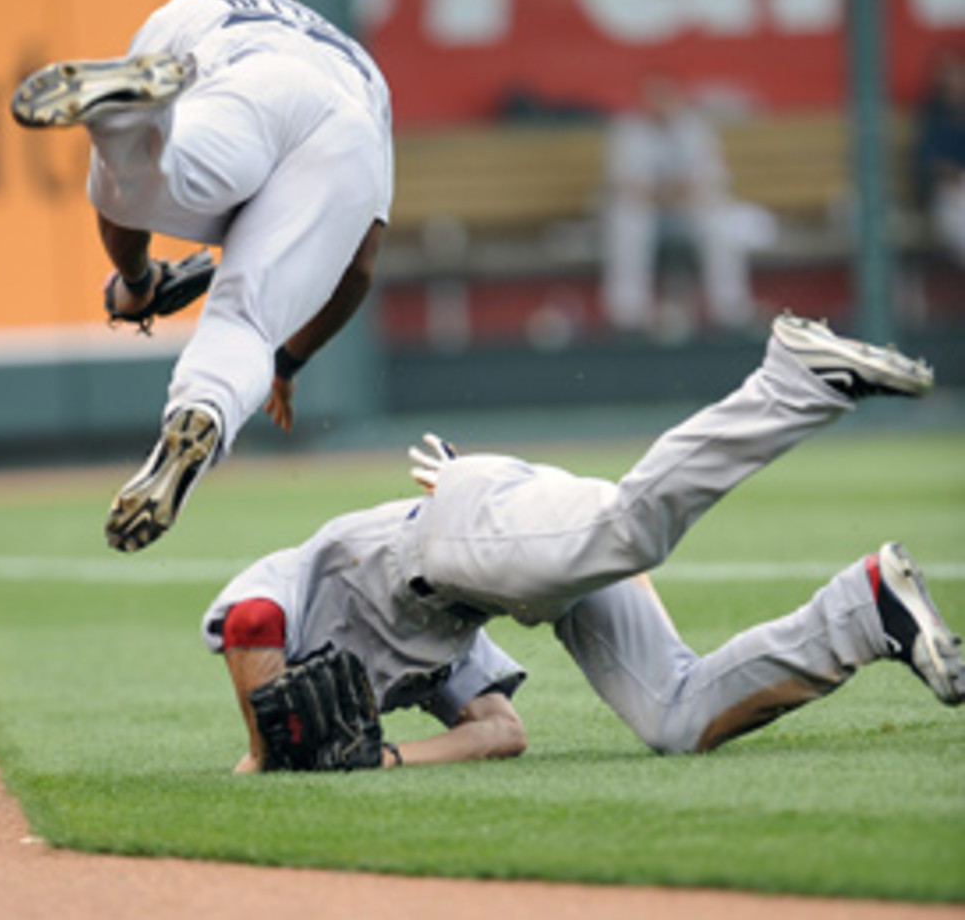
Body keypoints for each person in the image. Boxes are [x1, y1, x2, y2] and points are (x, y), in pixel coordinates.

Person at [201, 313, 961, 773]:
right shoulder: (411, 671)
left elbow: (248, 626)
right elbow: (500, 734)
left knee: (629, 530)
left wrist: (265, 757)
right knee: (676, 719)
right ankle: (863, 613)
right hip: (499, 575)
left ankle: (793, 380)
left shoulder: (282, 596)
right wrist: (383, 759)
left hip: (453, 535)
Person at [11, 0, 394, 555]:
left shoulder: (198, 6)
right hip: (346, 133)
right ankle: (204, 413)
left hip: (252, 84)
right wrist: (286, 360)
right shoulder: (361, 63)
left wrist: (136, 282)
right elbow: (359, 262)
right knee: (244, 323)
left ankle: (123, 115)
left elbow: (124, 210)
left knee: (133, 179)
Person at [600, 73, 767, 334]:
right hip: (648, 212)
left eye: (664, 97)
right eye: (653, 98)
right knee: (628, 220)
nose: (659, 104)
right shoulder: (629, 130)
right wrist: (665, 193)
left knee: (718, 219)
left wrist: (674, 193)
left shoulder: (694, 129)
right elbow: (626, 185)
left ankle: (730, 307)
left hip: (688, 212)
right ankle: (628, 312)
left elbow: (709, 179)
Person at [914, 48, 965, 266]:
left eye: (957, 75)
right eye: (947, 76)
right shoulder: (934, 114)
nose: (954, 82)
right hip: (950, 195)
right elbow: (931, 163)